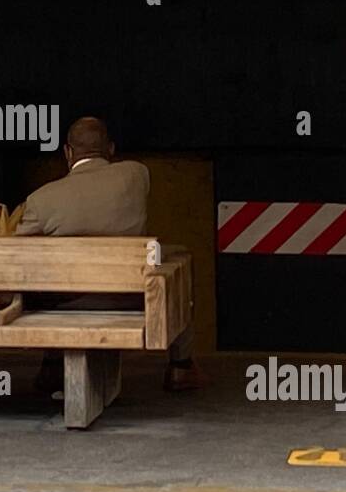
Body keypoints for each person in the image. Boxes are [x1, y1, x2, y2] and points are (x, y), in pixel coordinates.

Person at [16, 116, 207, 395]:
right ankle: (182, 365)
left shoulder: (42, 199)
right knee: (178, 258)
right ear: (112, 149)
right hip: (131, 298)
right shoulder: (137, 175)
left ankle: (53, 365)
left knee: (45, 267)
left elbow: (21, 251)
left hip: (65, 305)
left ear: (67, 152)